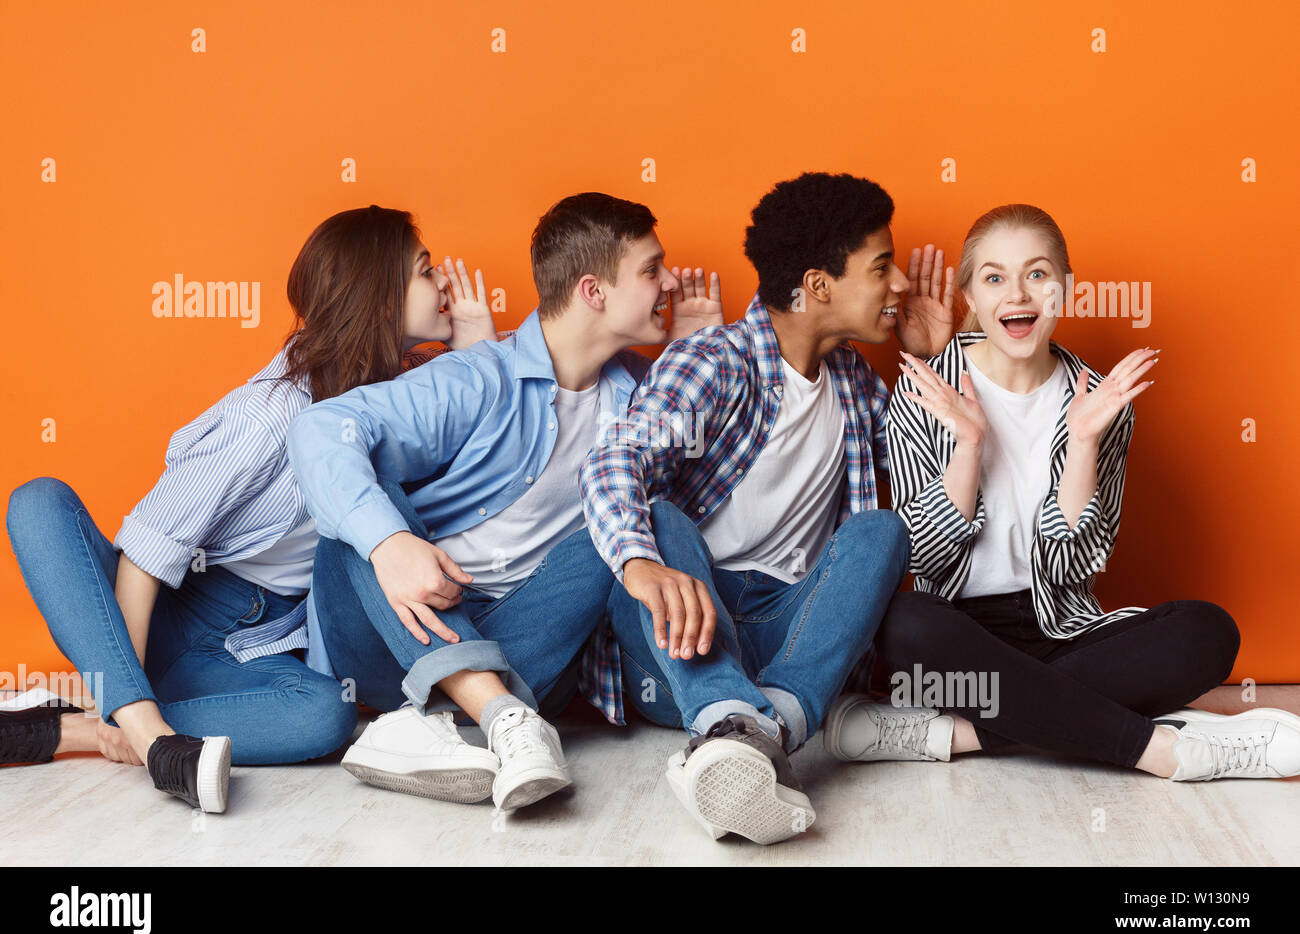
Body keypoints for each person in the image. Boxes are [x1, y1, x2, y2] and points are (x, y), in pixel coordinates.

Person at [2, 205, 499, 812]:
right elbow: (146, 555)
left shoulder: (403, 394)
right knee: (38, 501)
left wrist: (480, 347)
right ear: (379, 293)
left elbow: (479, 474)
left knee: (326, 715)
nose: (444, 282)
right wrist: (121, 681)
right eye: (426, 271)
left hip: (241, 645)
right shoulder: (267, 418)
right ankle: (150, 736)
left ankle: (82, 729)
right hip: (158, 614)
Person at [823, 202, 1300, 782]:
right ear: (970, 297)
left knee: (1209, 632)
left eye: (1038, 274)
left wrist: (1080, 442)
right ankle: (1161, 748)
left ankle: (956, 735)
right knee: (900, 621)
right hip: (956, 642)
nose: (1017, 294)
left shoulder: (1099, 401)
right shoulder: (927, 391)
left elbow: (1080, 563)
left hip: (1064, 634)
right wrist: (970, 445)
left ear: (1064, 290)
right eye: (995, 278)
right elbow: (926, 557)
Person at [288, 192, 724, 812]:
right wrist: (391, 545)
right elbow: (321, 428)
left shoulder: (641, 399)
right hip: (392, 641)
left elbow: (708, 505)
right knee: (363, 513)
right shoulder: (477, 377)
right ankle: (502, 722)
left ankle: (456, 726)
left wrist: (700, 360)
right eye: (653, 270)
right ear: (594, 292)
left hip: (522, 649)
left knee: (637, 525)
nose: (671, 282)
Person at [580, 172, 958, 845]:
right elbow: (616, 460)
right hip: (686, 636)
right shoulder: (716, 362)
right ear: (817, 287)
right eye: (881, 266)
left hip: (796, 637)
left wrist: (936, 363)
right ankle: (730, 713)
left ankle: (757, 729)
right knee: (662, 519)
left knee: (881, 530)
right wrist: (640, 567)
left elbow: (937, 518)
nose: (900, 284)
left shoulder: (857, 384)